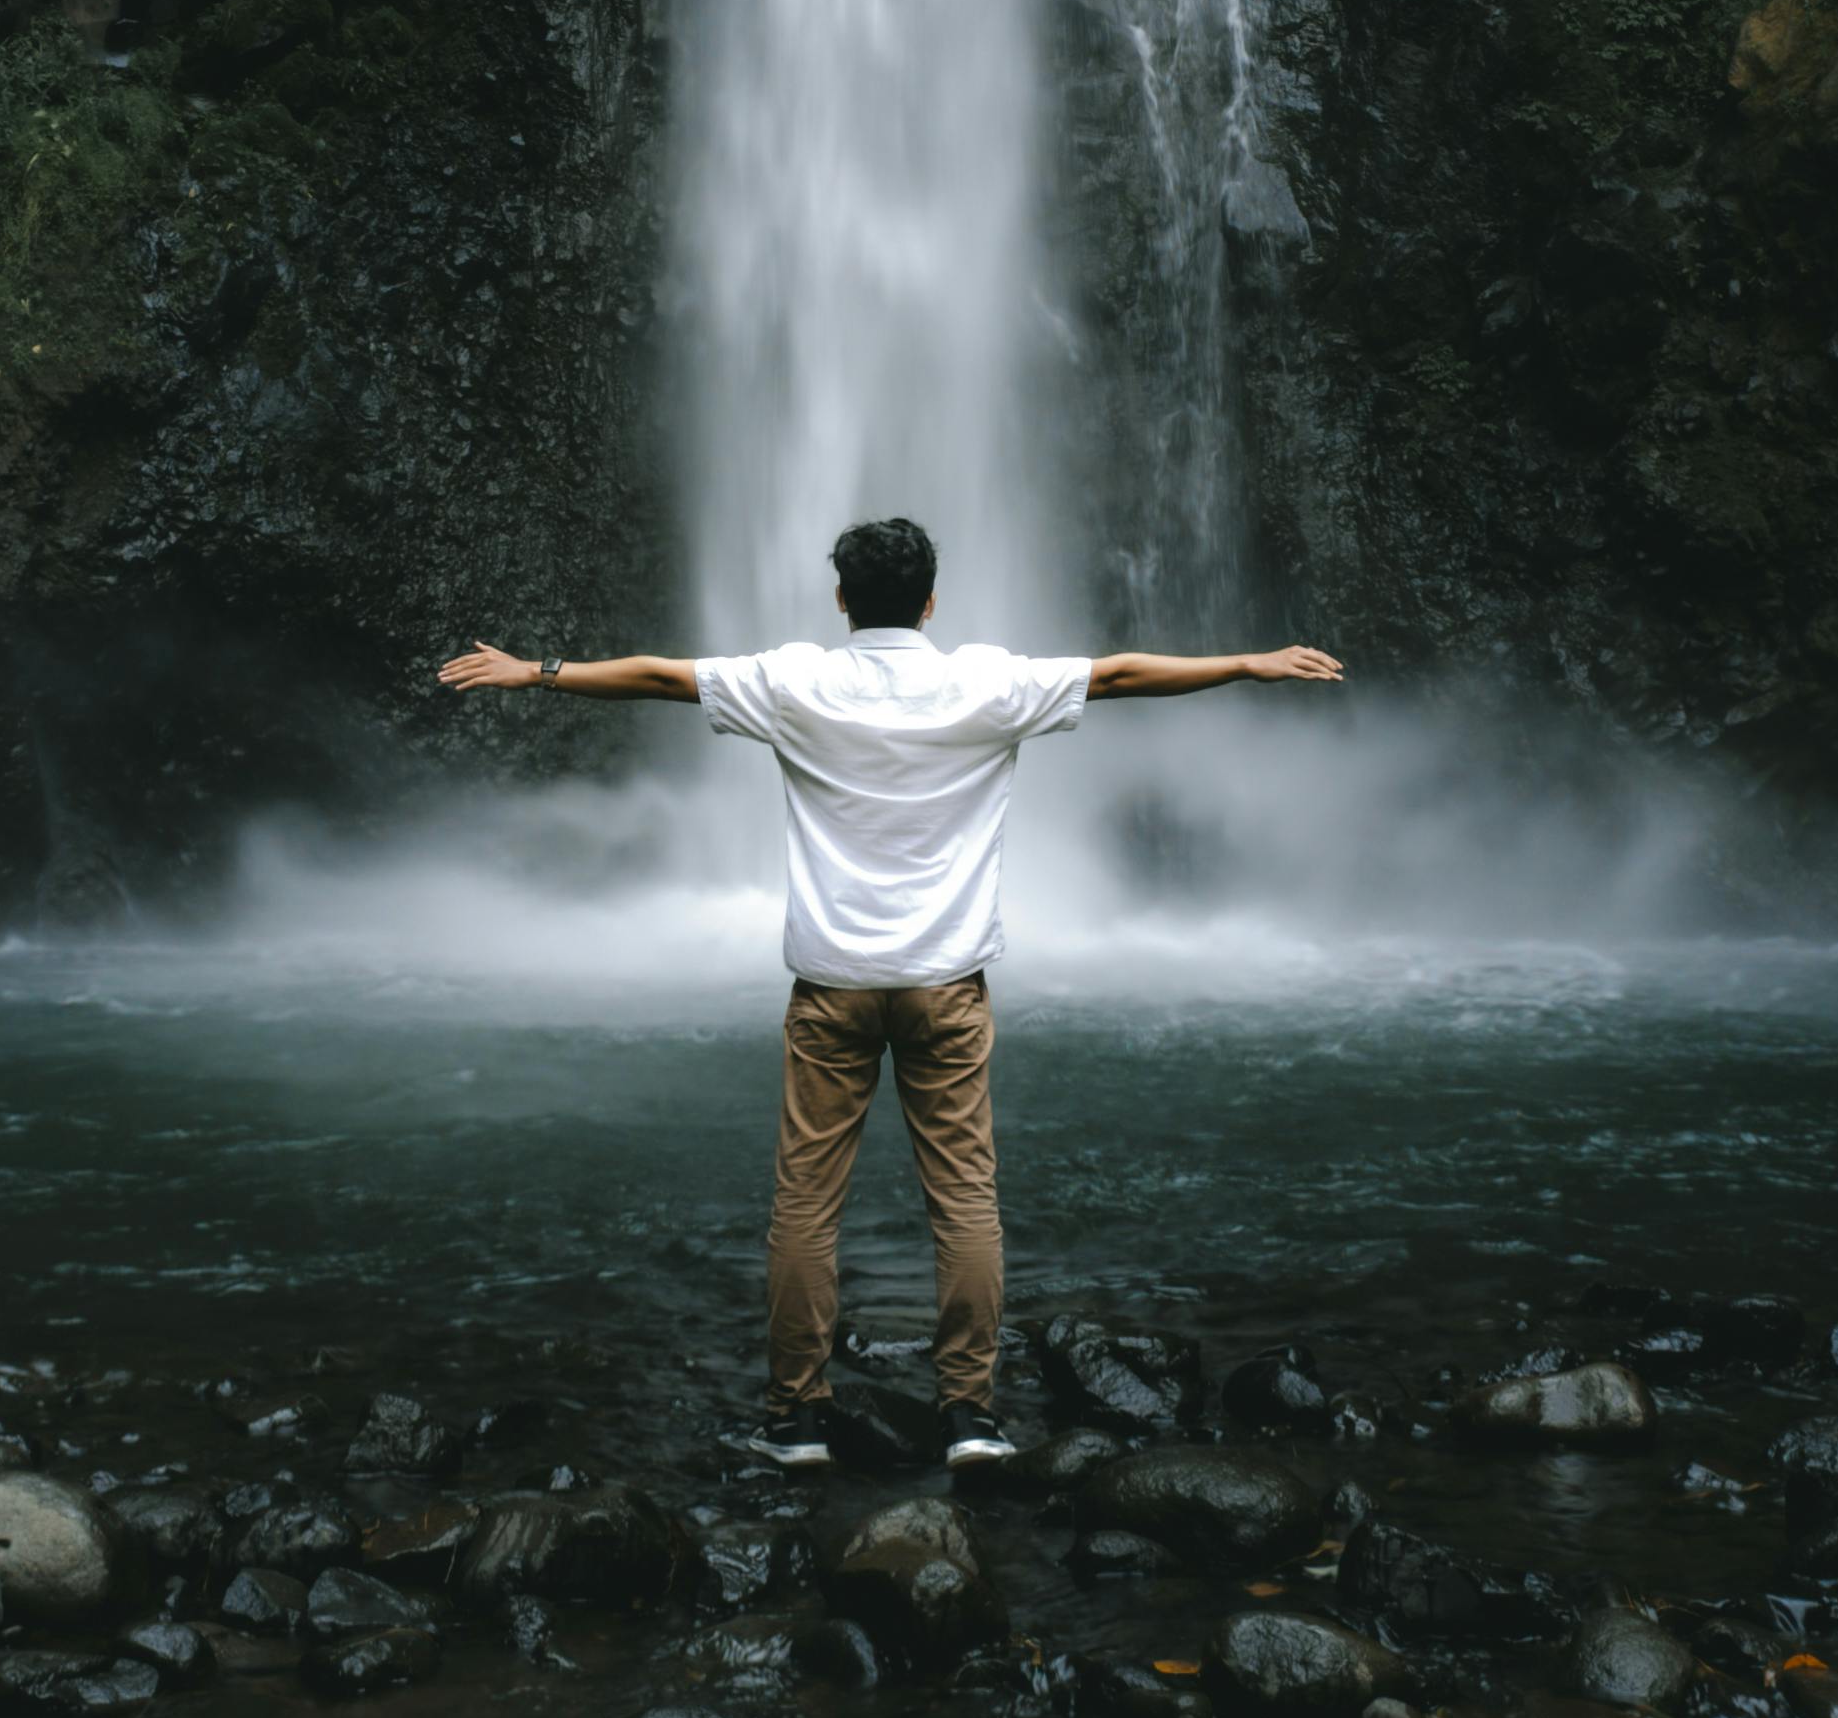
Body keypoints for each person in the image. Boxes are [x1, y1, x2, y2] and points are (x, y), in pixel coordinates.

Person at [439, 515, 1344, 1469]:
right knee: (963, 1200)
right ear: (931, 600)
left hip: (831, 985)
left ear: (841, 599)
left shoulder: (793, 680)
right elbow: (1118, 674)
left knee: (805, 1202)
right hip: (946, 985)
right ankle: (971, 1418)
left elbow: (665, 677)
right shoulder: (986, 681)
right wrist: (1249, 661)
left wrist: (536, 671)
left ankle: (793, 1421)